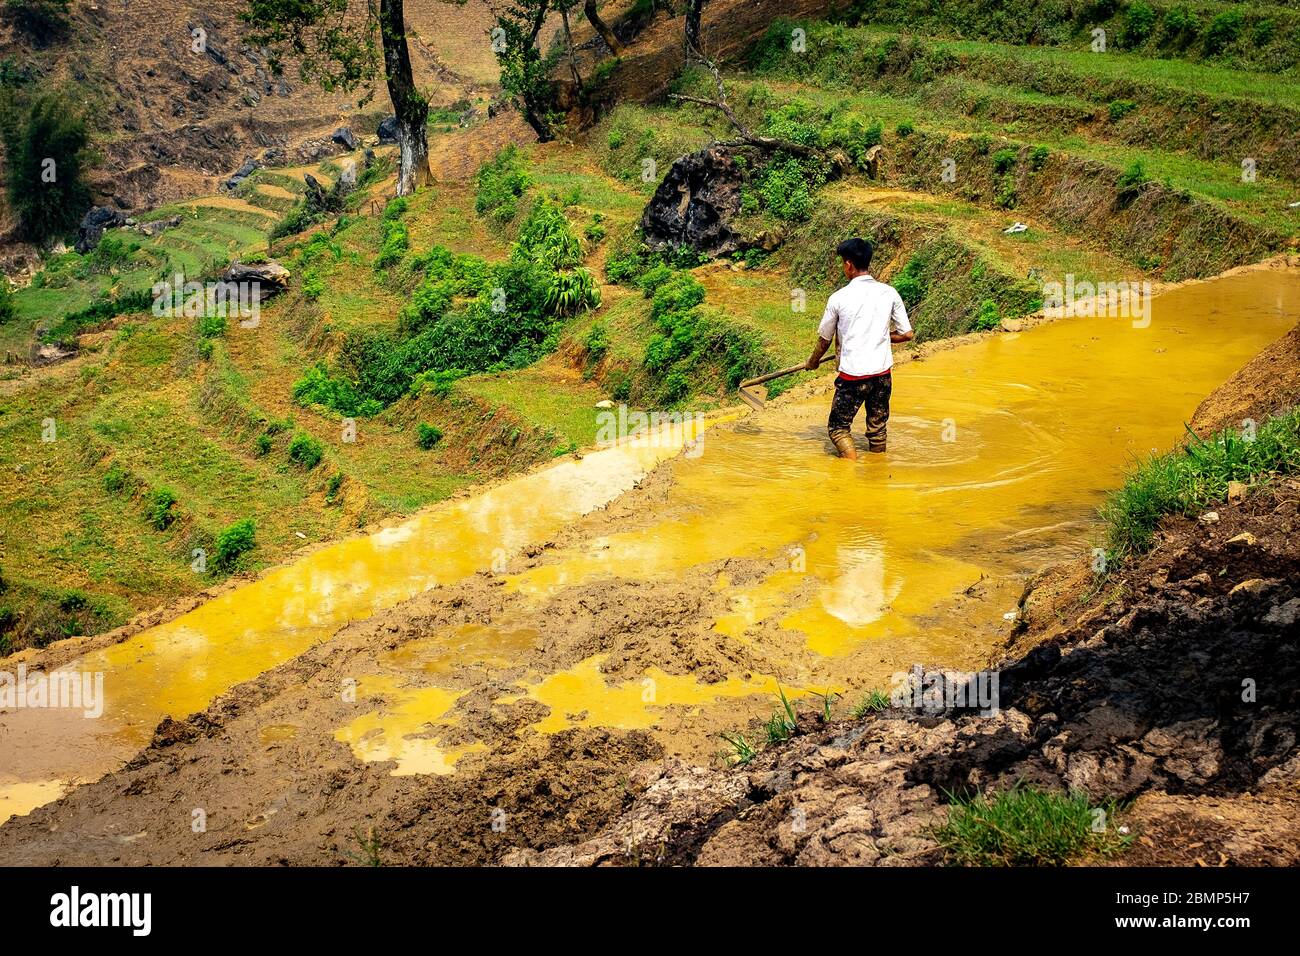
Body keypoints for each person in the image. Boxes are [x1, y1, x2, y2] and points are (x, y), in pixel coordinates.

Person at [806, 238, 914, 459]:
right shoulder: (889, 292)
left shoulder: (838, 298)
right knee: (877, 429)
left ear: (848, 264)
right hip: (882, 375)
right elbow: (907, 334)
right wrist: (883, 336)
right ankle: (877, 473)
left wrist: (813, 361)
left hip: (853, 377)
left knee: (838, 428)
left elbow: (824, 339)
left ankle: (850, 472)